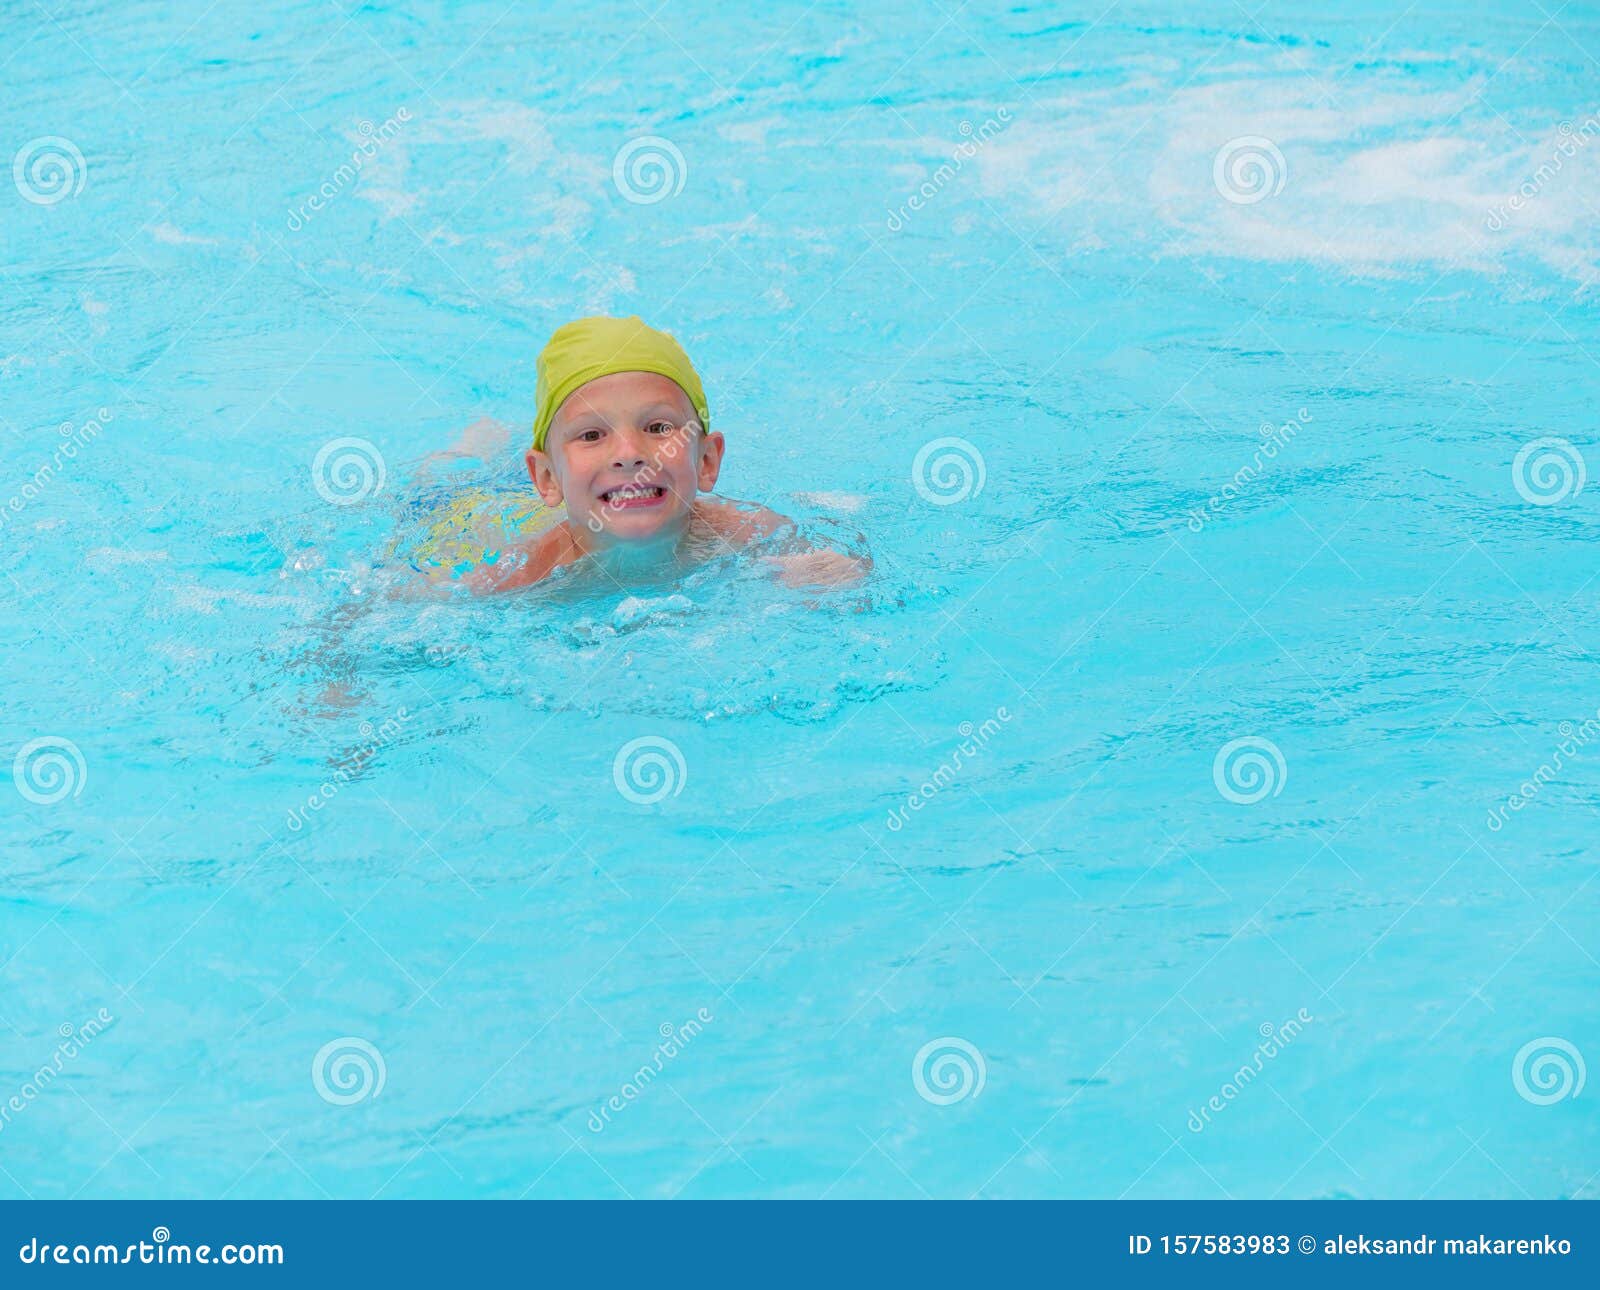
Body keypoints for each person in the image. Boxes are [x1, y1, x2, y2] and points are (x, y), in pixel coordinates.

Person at [469, 315, 868, 592]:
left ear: (706, 461)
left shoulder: (744, 533)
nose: (629, 454)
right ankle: (478, 445)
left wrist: (831, 578)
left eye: (658, 428)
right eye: (592, 434)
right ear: (546, 478)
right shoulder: (523, 575)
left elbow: (848, 567)